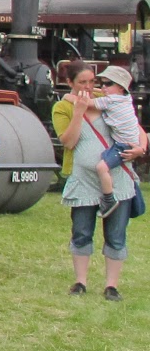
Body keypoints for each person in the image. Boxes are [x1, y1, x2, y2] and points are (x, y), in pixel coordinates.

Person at [57, 67, 141, 300]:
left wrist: (140, 149)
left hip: (117, 179)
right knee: (81, 231)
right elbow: (69, 142)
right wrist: (78, 112)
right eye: (82, 82)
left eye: (92, 81)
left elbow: (137, 129)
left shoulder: (108, 99)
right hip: (84, 181)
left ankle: (111, 286)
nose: (89, 86)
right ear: (70, 83)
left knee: (116, 234)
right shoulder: (63, 107)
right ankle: (80, 282)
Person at [84, 65, 146, 215]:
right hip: (129, 143)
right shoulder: (125, 98)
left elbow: (87, 102)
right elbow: (106, 93)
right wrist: (97, 90)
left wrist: (69, 96)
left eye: (108, 84)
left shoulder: (110, 101)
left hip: (123, 146)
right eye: (102, 84)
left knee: (101, 167)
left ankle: (109, 199)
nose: (103, 87)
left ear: (120, 87)